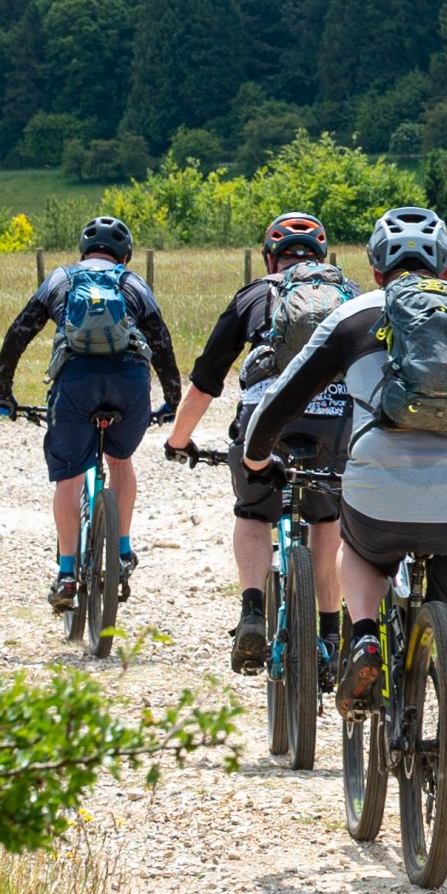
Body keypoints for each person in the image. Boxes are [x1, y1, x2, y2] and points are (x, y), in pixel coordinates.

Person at [241, 205, 447, 811]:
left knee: (358, 552)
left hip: (377, 484)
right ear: (446, 264)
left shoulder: (353, 317)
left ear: (375, 269)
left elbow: (277, 405)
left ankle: (363, 636)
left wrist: (259, 462)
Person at [164, 212, 354, 676]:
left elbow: (207, 380)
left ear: (270, 257)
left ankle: (252, 612)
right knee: (325, 516)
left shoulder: (253, 294)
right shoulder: (349, 297)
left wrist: (179, 440)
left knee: (253, 511)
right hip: (334, 422)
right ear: (322, 259)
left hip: (265, 420)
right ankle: (331, 634)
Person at [0, 214, 181, 609]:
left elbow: (20, 331)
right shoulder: (132, 283)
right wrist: (172, 400)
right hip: (128, 384)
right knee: (121, 461)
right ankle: (124, 550)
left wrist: (3, 392)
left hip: (75, 383)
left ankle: (65, 573)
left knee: (69, 479)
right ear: (124, 256)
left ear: (83, 251)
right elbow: (160, 340)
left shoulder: (61, 279)